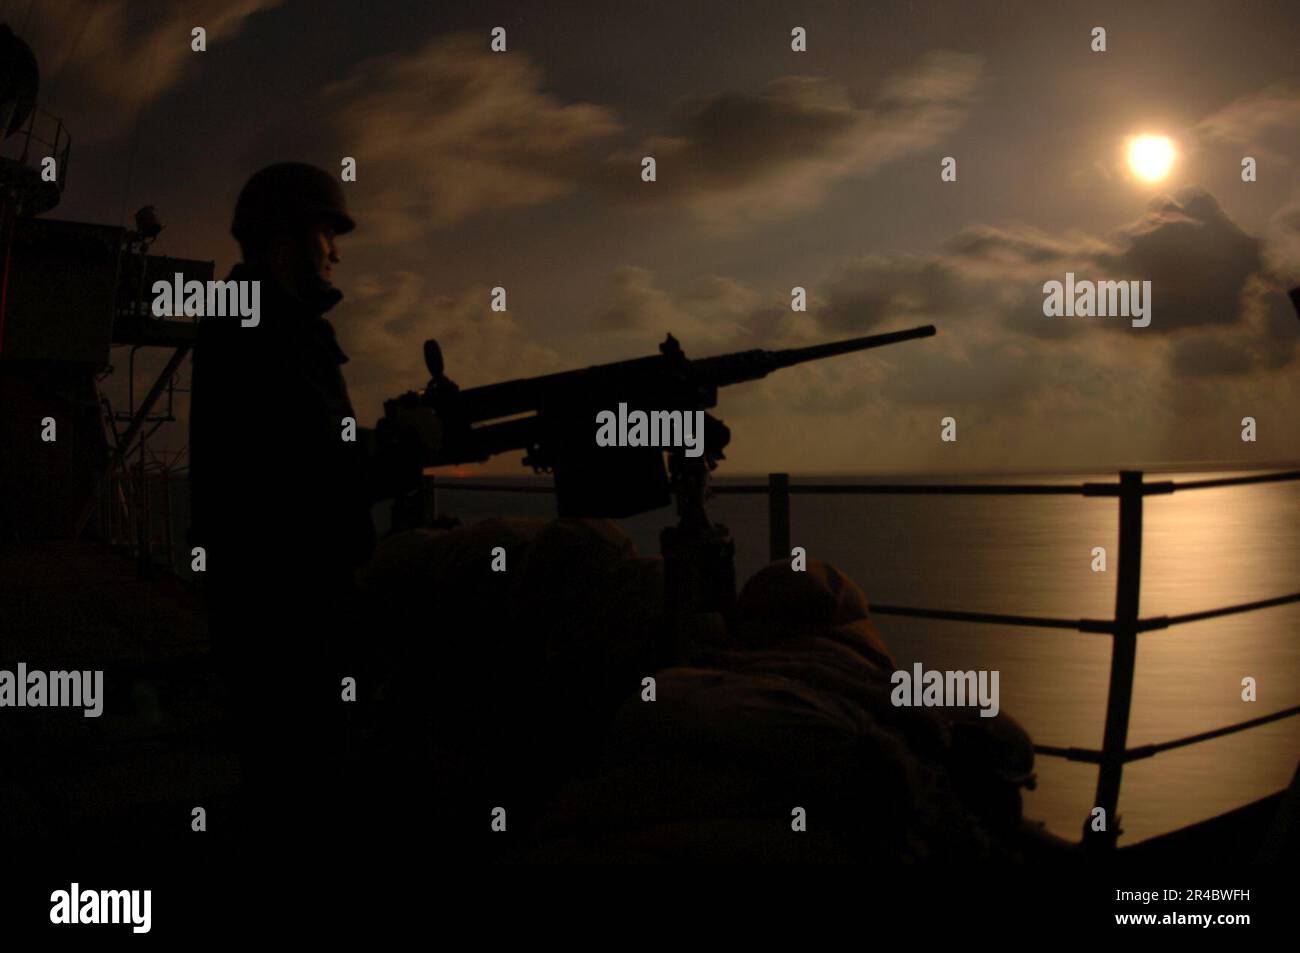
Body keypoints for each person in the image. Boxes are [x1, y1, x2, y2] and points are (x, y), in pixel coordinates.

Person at [189, 162, 435, 843]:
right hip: (290, 606)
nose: (336, 250)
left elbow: (300, 452)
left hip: (259, 601)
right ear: (284, 238)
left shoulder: (248, 322)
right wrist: (407, 448)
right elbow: (322, 473)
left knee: (282, 779)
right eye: (327, 232)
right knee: (307, 787)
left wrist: (383, 443)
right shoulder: (275, 331)